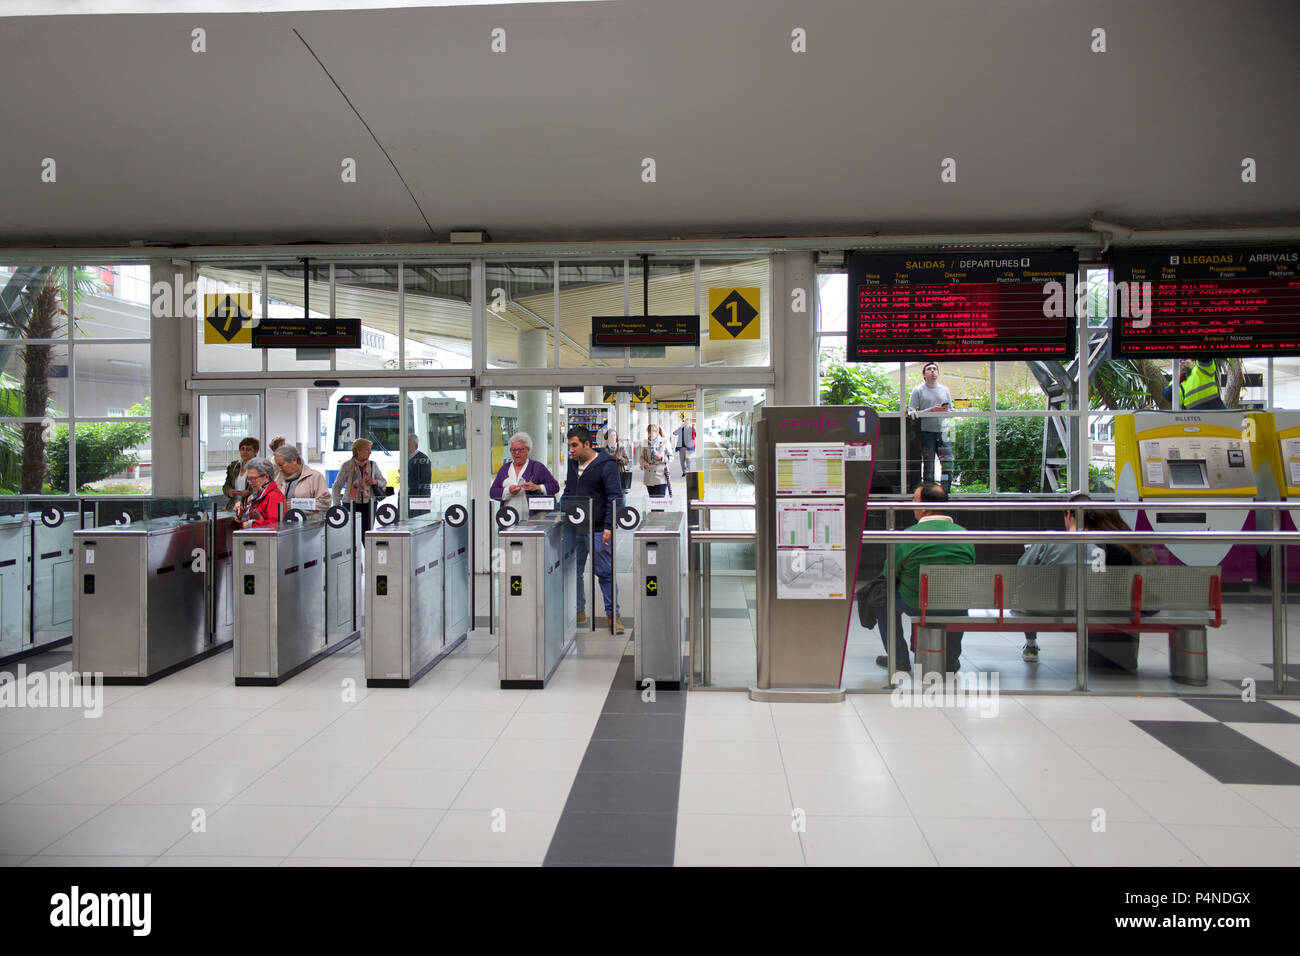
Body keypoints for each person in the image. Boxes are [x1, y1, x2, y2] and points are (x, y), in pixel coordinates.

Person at [1017, 495, 1152, 670]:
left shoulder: (1051, 540)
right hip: (1098, 605)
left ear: (1069, 514)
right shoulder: (1108, 547)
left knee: (1029, 589)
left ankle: (1031, 643)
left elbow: (1020, 570)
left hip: (1052, 606)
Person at [860, 482, 974, 673]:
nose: (912, 503)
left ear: (924, 508)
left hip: (917, 602)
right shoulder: (964, 535)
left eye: (914, 498)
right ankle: (950, 660)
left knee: (881, 596)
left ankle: (899, 659)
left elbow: (890, 574)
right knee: (955, 600)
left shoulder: (908, 535)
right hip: (956, 602)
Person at [563, 425, 624, 633]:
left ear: (587, 444)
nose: (571, 450)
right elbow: (568, 491)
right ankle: (578, 612)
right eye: (569, 445)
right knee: (574, 571)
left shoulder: (606, 464)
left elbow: (615, 497)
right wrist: (559, 512)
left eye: (574, 445)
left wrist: (609, 525)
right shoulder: (572, 465)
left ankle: (612, 616)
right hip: (575, 528)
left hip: (598, 529)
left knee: (605, 572)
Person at [908, 361, 953, 492]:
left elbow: (952, 411)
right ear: (924, 374)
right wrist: (930, 410)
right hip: (926, 433)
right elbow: (911, 413)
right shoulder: (918, 390)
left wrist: (945, 411)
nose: (932, 370)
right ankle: (929, 495)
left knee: (947, 463)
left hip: (943, 433)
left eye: (935, 369)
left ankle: (945, 491)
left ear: (938, 373)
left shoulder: (945, 390)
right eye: (929, 369)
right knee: (929, 466)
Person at [489, 432, 560, 515]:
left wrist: (537, 487)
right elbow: (492, 492)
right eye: (513, 450)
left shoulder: (538, 467)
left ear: (528, 450)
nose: (516, 453)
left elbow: (555, 487)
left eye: (520, 450)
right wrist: (508, 491)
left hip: (532, 521)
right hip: (508, 519)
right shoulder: (505, 468)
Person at [332, 438, 387, 533]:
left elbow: (383, 482)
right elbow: (337, 486)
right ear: (358, 450)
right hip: (350, 503)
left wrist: (375, 482)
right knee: (352, 533)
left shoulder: (373, 465)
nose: (370, 453)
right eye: (367, 449)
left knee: (367, 533)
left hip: (369, 503)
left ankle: (367, 548)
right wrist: (337, 504)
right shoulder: (346, 465)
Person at [273, 444, 332, 510]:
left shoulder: (315, 477)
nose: (279, 469)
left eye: (281, 465)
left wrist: (296, 505)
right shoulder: (277, 479)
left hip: (309, 519)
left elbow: (325, 503)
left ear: (294, 460)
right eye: (277, 465)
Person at [234, 457, 287, 529]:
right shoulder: (255, 496)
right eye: (248, 479)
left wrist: (251, 524)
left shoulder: (274, 496)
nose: (250, 483)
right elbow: (247, 522)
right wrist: (240, 515)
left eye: (253, 479)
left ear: (266, 477)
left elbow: (276, 525)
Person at [222, 437, 260, 512]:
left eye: (248, 449)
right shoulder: (233, 466)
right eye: (242, 449)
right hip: (233, 507)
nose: (244, 452)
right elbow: (226, 485)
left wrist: (249, 493)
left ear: (256, 451)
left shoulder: (260, 467)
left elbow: (263, 488)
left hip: (250, 507)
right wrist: (229, 491)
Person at [639, 423, 670, 498]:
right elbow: (641, 458)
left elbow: (671, 457)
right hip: (649, 476)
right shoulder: (645, 442)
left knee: (659, 503)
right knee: (652, 502)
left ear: (657, 432)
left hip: (661, 477)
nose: (649, 434)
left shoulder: (664, 441)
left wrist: (661, 458)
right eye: (648, 432)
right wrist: (644, 463)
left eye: (651, 432)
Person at [602, 428, 633, 492]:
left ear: (616, 437)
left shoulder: (621, 448)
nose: (613, 437)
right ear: (608, 438)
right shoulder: (603, 450)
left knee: (621, 501)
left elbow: (627, 461)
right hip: (608, 477)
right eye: (611, 436)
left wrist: (620, 459)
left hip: (620, 477)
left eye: (614, 435)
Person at [407, 435, 432, 499]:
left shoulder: (424, 459)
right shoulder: (405, 458)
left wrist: (409, 487)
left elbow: (425, 480)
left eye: (408, 444)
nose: (404, 447)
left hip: (420, 496)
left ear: (416, 445)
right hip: (407, 496)